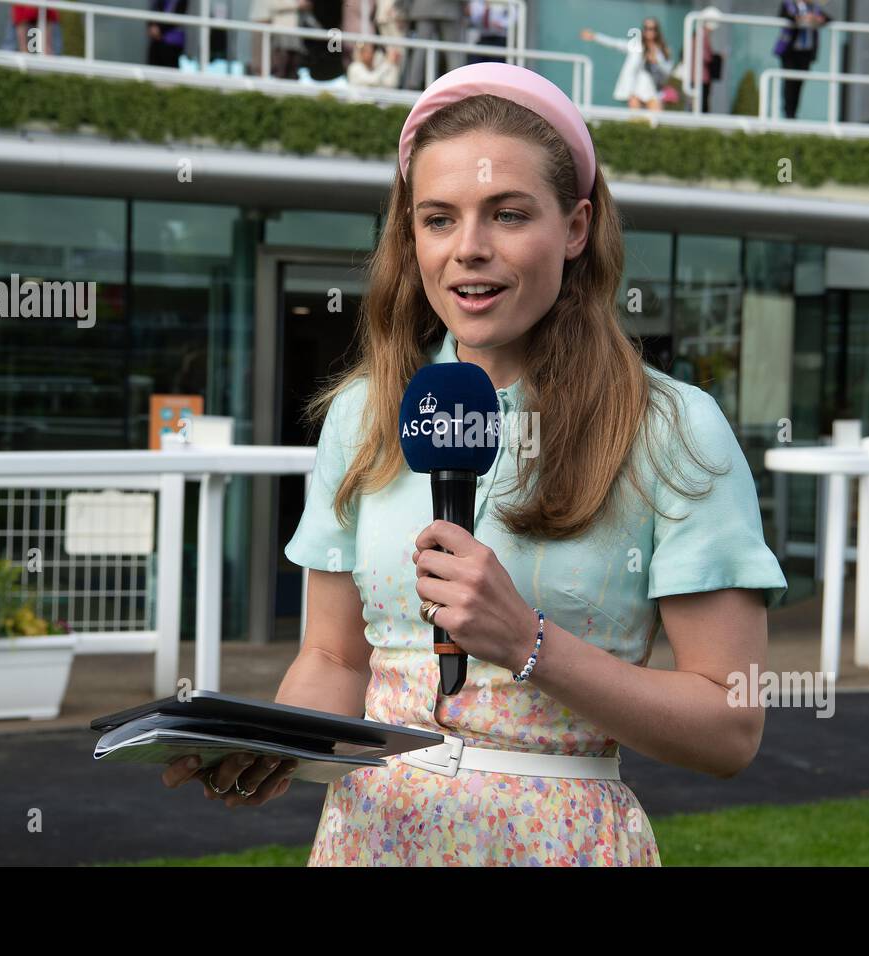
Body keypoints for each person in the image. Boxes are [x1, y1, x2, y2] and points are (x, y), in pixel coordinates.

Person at [159, 62, 787, 866]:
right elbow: (333, 657)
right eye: (438, 219)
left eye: (508, 214)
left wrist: (528, 640)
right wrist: (272, 743)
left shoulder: (670, 428)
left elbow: (728, 727)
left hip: (561, 844)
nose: (469, 251)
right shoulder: (362, 414)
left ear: (576, 227)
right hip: (371, 839)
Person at [580, 17, 675, 111]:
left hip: (654, 90)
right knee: (635, 119)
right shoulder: (636, 45)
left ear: (657, 31)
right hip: (636, 89)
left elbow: (668, 72)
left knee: (656, 119)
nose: (648, 31)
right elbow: (615, 43)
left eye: (652, 29)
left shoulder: (663, 50)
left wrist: (657, 61)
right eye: (646, 28)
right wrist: (595, 36)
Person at [773, 0, 829, 119]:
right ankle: (788, 114)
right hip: (790, 52)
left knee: (799, 84)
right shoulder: (789, 5)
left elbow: (828, 19)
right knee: (789, 84)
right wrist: (803, 18)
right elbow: (786, 16)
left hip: (806, 54)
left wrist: (817, 19)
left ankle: (793, 114)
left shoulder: (814, 8)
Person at [403, 0, 466, 90]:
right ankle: (457, 86)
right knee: (453, 51)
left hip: (424, 8)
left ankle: (413, 85)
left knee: (421, 48)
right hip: (449, 9)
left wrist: (403, 6)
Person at [249, 0, 310, 79]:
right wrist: (297, 4)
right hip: (264, 23)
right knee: (264, 64)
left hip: (281, 28)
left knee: (285, 64)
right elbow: (273, 4)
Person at [147, 0, 188, 69]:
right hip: (157, 39)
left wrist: (159, 30)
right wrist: (151, 26)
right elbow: (154, 9)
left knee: (169, 69)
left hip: (173, 41)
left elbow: (177, 16)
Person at [466, 0, 509, 65]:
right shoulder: (477, 2)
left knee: (496, 63)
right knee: (474, 60)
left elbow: (515, 15)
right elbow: (474, 19)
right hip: (483, 37)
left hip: (500, 38)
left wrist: (502, 24)